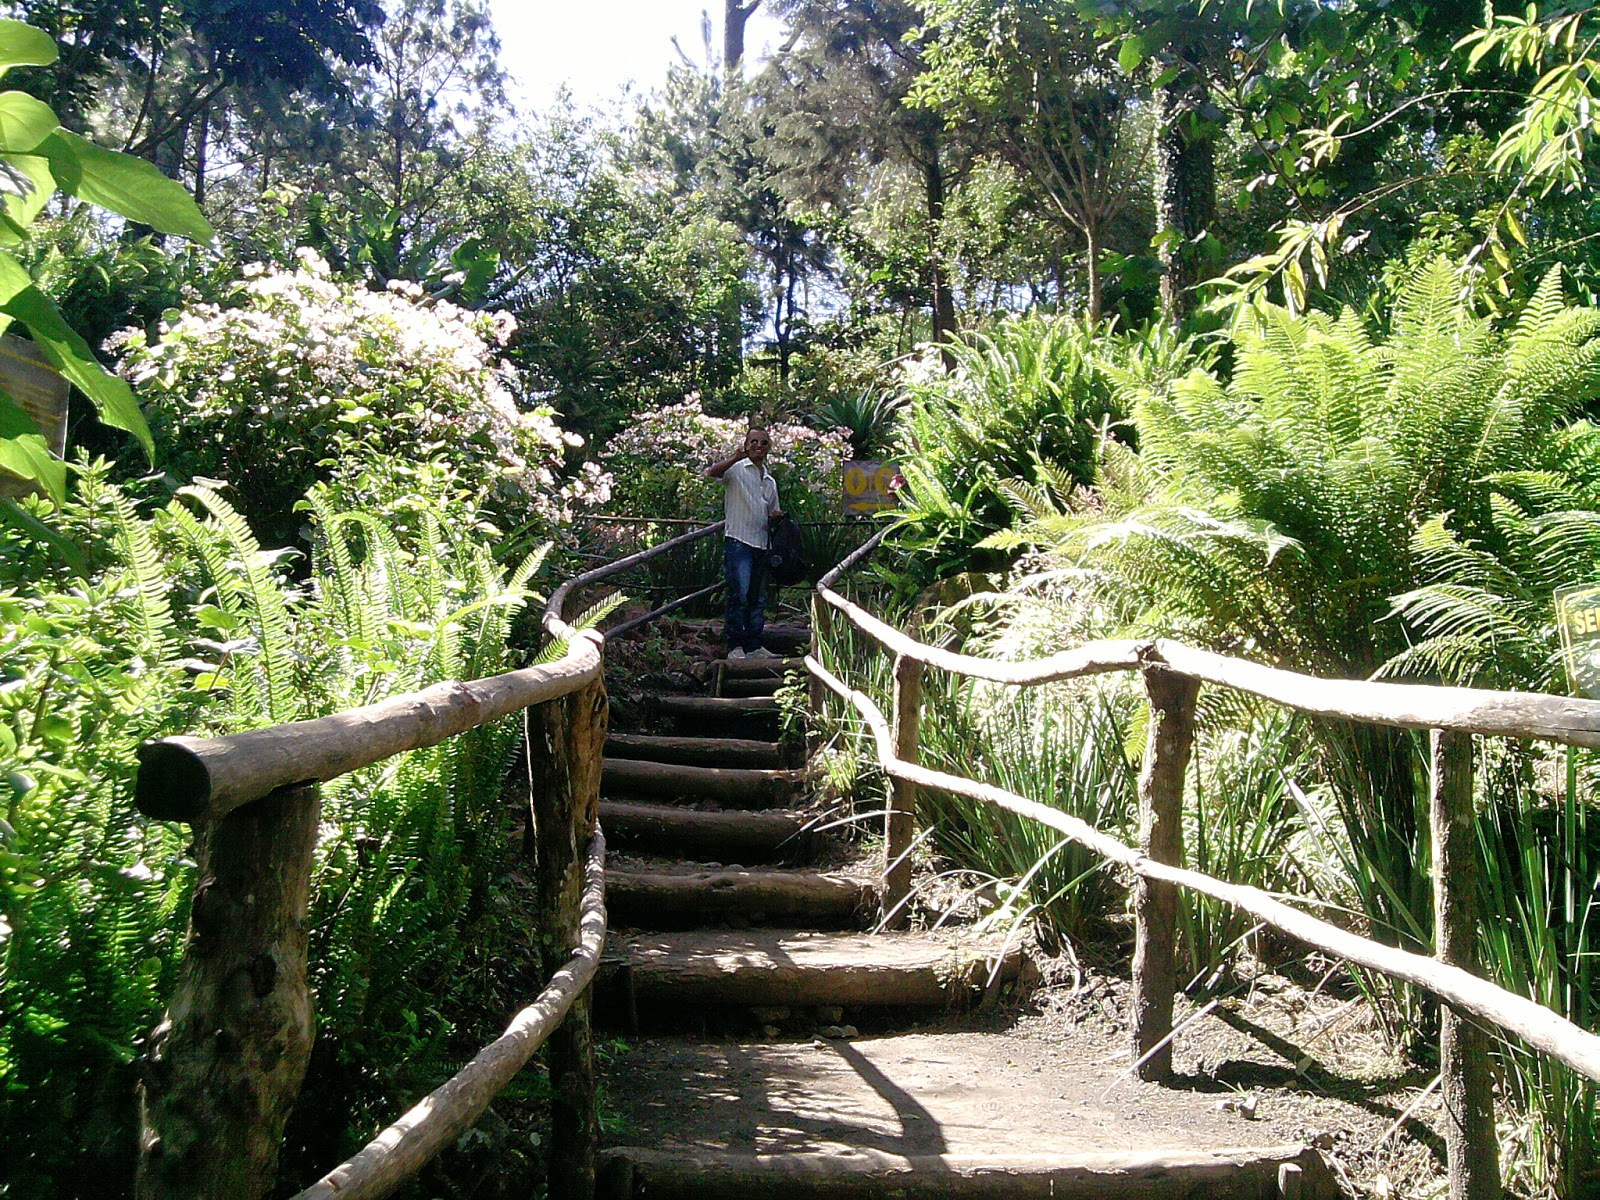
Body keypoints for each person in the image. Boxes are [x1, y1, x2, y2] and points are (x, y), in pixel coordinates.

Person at [704, 425, 783, 660]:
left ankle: (754, 645)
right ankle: (735, 645)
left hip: (761, 542)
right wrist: (734, 458)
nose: (758, 446)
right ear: (746, 444)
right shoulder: (736, 470)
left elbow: (772, 510)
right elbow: (712, 472)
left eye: (763, 443)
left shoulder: (769, 480)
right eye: (754, 442)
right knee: (739, 593)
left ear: (769, 448)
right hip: (739, 540)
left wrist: (777, 517)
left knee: (757, 598)